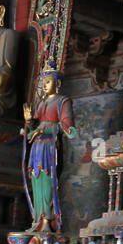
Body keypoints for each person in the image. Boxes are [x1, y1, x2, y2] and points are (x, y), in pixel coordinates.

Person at [23, 62, 76, 232]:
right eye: (43, 82)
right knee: (36, 182)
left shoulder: (63, 101)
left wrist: (43, 130)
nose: (44, 85)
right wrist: (30, 122)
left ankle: (48, 219)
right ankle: (37, 220)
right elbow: (32, 130)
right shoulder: (40, 103)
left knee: (47, 183)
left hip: (49, 148)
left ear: (57, 84)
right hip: (37, 148)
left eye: (48, 81)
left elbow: (68, 128)